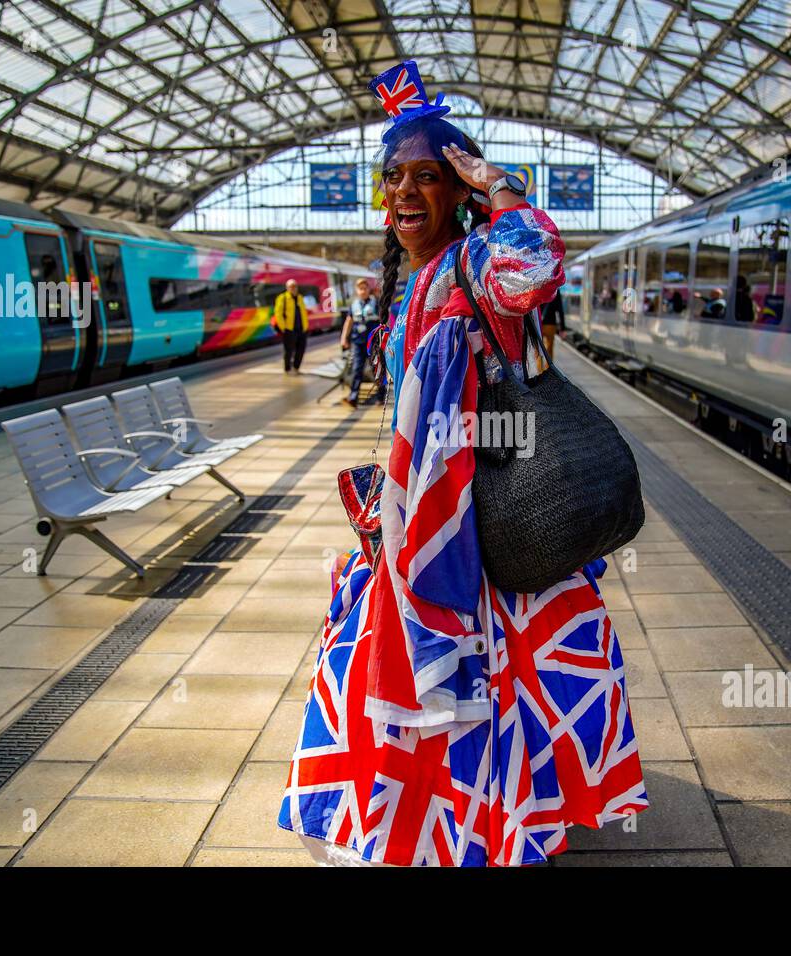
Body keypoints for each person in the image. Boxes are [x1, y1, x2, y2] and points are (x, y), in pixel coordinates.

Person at [278, 60, 648, 867]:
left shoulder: (476, 259)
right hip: (428, 515)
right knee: (465, 679)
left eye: (428, 177)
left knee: (482, 677)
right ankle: (446, 818)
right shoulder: (415, 279)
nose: (405, 193)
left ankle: (477, 824)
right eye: (393, 179)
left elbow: (537, 261)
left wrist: (500, 183)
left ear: (459, 191)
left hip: (486, 512)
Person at [339, 277, 386, 407]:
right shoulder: (353, 305)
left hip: (373, 343)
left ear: (368, 289)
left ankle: (381, 396)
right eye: (360, 289)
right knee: (356, 369)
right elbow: (349, 322)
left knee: (376, 369)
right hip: (358, 342)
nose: (363, 291)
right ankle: (353, 398)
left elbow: (384, 321)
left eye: (365, 288)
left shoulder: (376, 303)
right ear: (357, 290)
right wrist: (344, 338)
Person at [271, 278, 308, 373]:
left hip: (301, 329)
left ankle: (296, 367)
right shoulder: (282, 298)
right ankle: (287, 369)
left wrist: (306, 326)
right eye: (291, 286)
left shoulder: (300, 298)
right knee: (289, 351)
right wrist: (284, 328)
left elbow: (304, 312)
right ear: (287, 288)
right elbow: (278, 314)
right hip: (289, 329)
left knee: (301, 349)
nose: (294, 288)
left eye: (295, 286)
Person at [539, 285, 565, 359]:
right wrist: (562, 329)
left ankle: (539, 369)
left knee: (538, 349)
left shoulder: (538, 287)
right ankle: (549, 369)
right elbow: (560, 310)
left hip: (538, 324)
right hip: (550, 324)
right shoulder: (555, 289)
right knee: (549, 349)